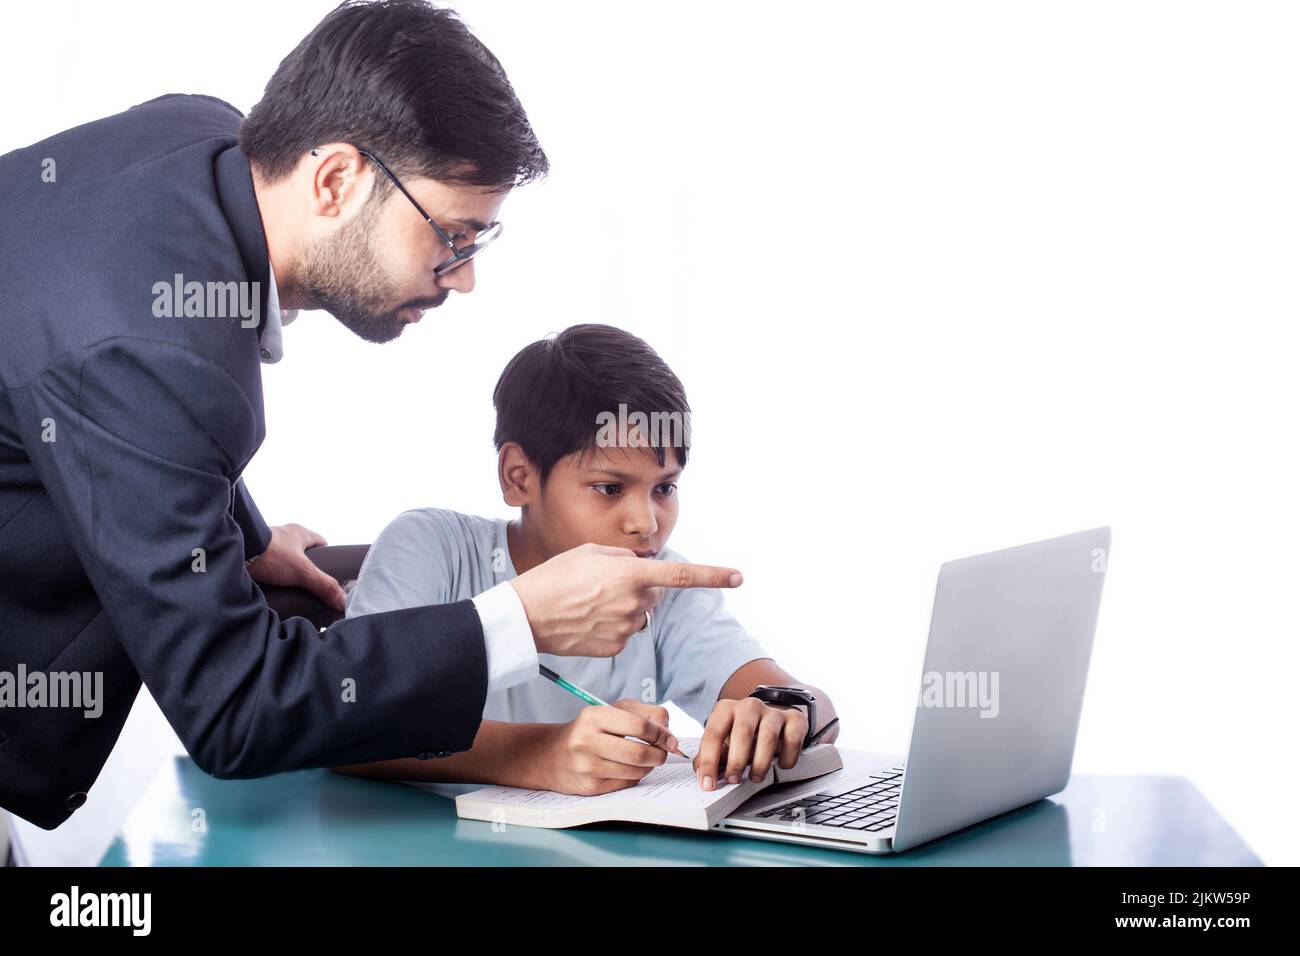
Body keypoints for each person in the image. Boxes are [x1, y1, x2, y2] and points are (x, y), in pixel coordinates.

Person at [0, 1, 739, 830]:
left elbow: (84, 393)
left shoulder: (199, 141)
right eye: (454, 236)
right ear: (336, 179)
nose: (462, 279)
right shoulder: (152, 347)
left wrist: (232, 534)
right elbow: (235, 711)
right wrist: (519, 617)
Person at [338, 324, 838, 795]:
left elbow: (793, 695)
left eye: (664, 488)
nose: (646, 522)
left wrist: (782, 710)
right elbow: (347, 721)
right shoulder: (431, 547)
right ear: (518, 477)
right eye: (609, 487)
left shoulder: (662, 585)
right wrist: (539, 755)